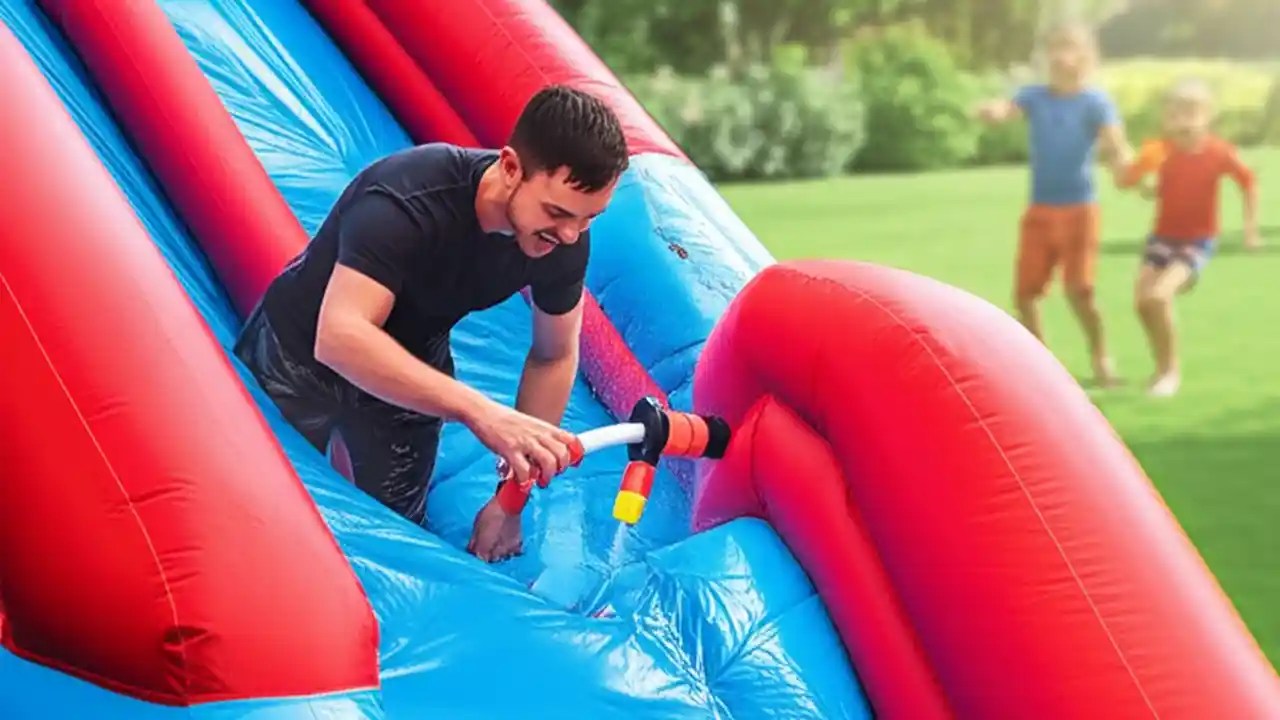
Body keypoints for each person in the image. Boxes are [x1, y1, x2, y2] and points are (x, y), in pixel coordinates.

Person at [233, 85, 629, 561]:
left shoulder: (563, 244)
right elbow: (339, 337)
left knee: (396, 539)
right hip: (296, 348)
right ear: (509, 167)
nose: (569, 234)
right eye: (557, 212)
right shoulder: (408, 199)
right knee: (245, 499)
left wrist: (510, 501)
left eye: (588, 219)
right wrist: (479, 411)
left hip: (412, 367)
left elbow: (554, 354)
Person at [975, 21, 1133, 387]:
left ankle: (1101, 358)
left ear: (1088, 56)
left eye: (1072, 48)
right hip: (1040, 210)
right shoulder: (1034, 97)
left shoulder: (1095, 102)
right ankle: (1042, 366)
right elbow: (1007, 107)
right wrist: (994, 111)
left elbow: (1115, 143)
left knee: (1080, 291)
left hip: (1080, 210)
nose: (1063, 56)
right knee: (1026, 294)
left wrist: (1125, 163)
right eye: (1056, 48)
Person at [1118, 78, 1261, 397]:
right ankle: (1159, 368)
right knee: (1142, 303)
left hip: (1196, 241)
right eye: (1173, 115)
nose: (1181, 122)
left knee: (1158, 297)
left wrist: (1250, 230)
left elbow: (1249, 182)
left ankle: (1171, 373)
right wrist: (1124, 162)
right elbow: (1128, 180)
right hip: (1161, 238)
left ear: (1206, 116)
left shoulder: (1218, 152)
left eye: (1189, 114)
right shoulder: (1160, 151)